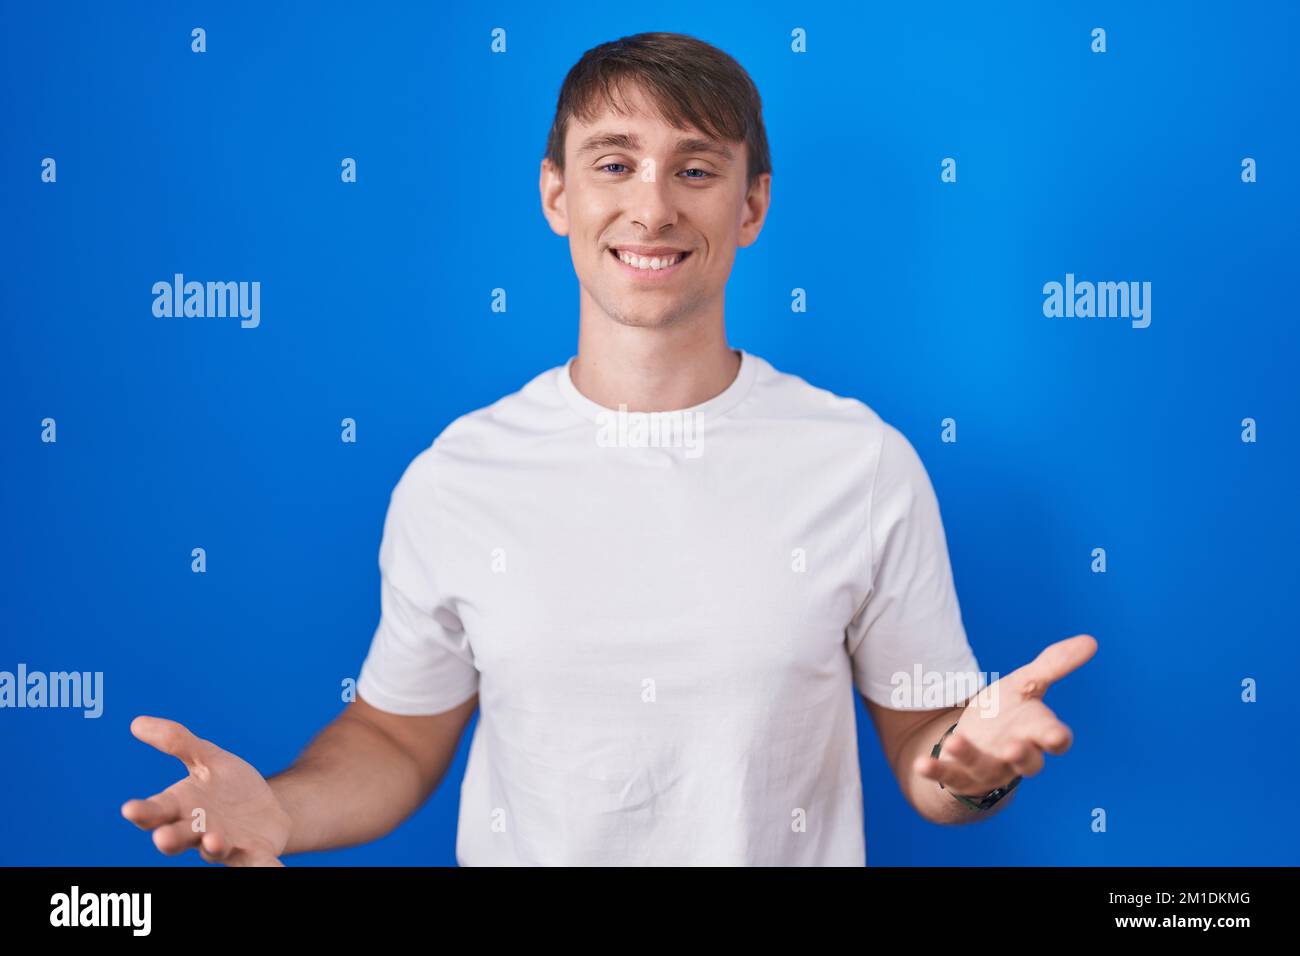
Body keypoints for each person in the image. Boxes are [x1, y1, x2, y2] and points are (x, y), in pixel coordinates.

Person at [122, 32, 1096, 866]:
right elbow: (395, 737)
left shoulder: (862, 463)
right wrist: (280, 809)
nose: (653, 207)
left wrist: (970, 764)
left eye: (696, 168)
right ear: (556, 194)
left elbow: (929, 752)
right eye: (614, 162)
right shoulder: (457, 475)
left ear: (750, 206)